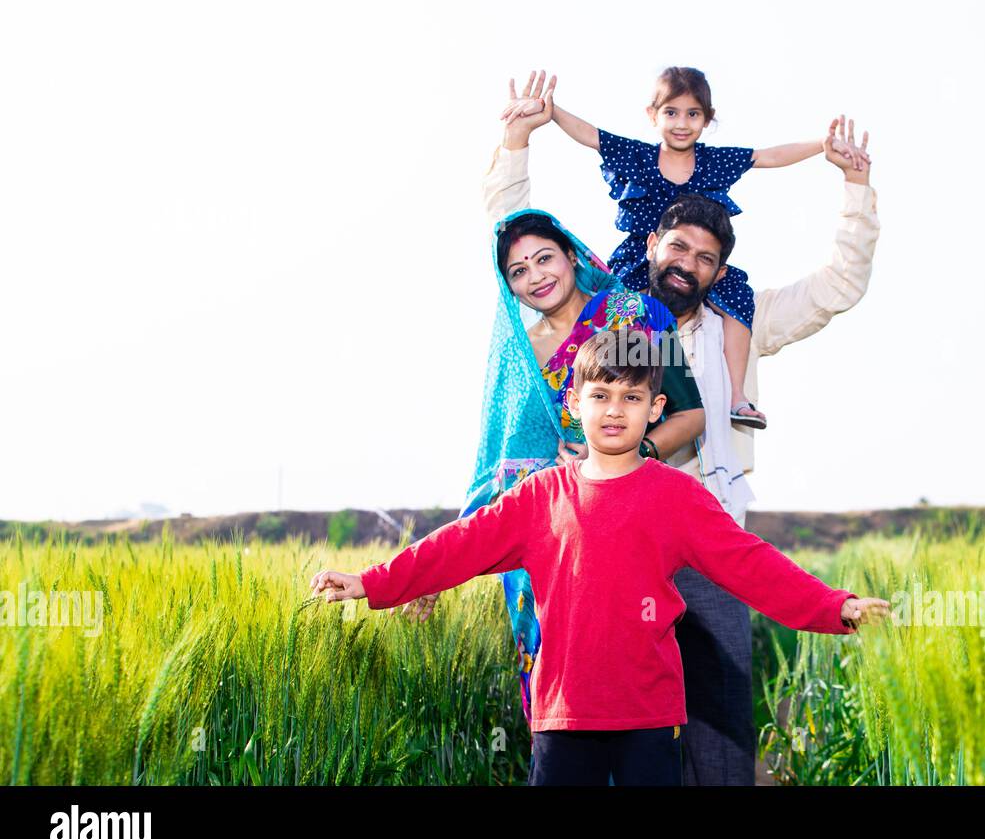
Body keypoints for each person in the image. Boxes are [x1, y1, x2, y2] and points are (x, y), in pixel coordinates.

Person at [485, 79, 881, 785]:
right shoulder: (615, 314)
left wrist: (855, 189)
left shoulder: (745, 320)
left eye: (704, 258)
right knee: (602, 726)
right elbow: (526, 254)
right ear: (650, 244)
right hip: (610, 541)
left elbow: (838, 287)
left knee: (720, 719)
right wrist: (516, 142)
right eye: (677, 247)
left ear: (720, 271)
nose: (687, 264)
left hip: (707, 536)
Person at [310, 328, 893, 785]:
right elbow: (457, 545)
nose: (615, 410)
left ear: (655, 407)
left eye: (631, 397)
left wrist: (833, 606)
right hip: (563, 717)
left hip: (649, 716)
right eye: (601, 395)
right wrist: (371, 583)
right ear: (574, 401)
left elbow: (750, 562)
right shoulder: (540, 496)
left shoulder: (677, 497)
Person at [403, 95, 706, 731]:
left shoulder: (631, 317)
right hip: (544, 534)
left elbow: (690, 418)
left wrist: (631, 451)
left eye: (544, 257)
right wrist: (431, 571)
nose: (535, 275)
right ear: (509, 288)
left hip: (624, 510)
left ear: (572, 255)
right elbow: (495, 469)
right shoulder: (519, 355)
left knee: (630, 673)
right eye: (517, 271)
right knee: (556, 694)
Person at [501, 68, 867, 431]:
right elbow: (516, 239)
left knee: (740, 302)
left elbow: (769, 157)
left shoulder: (713, 167)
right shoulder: (608, 312)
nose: (681, 123)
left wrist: (826, 151)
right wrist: (544, 116)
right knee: (625, 312)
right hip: (632, 279)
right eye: (672, 112)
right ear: (653, 115)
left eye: (693, 114)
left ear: (707, 120)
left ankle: (737, 396)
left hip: (710, 485)